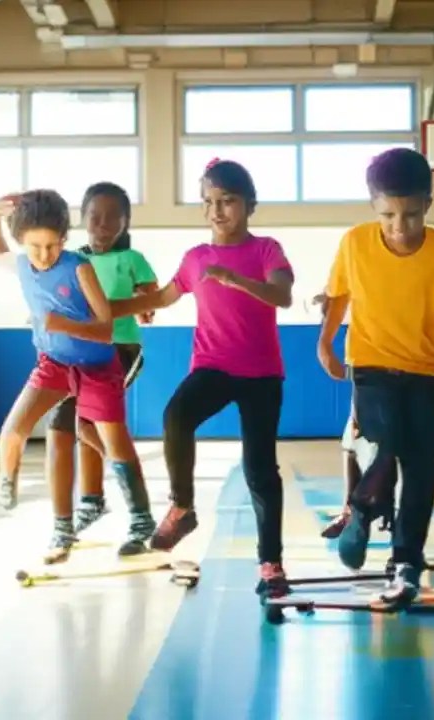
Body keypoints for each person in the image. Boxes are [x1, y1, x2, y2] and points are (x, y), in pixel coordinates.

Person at [108, 159, 295, 597]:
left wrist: (236, 279)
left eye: (227, 201)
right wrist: (106, 310)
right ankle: (183, 507)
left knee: (260, 471)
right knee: (176, 416)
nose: (217, 211)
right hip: (212, 366)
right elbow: (161, 297)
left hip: (262, 373)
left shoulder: (267, 249)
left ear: (250, 206)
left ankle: (270, 562)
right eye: (209, 202)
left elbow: (282, 294)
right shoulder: (196, 258)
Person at [317, 147, 434, 604]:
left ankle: (406, 561)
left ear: (428, 205)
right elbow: (338, 294)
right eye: (388, 215)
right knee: (387, 444)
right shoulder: (355, 242)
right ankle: (359, 507)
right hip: (371, 367)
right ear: (375, 207)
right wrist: (325, 342)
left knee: (421, 467)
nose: (400, 227)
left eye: (411, 215)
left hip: (425, 370)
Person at [0, 189, 155, 564]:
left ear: (64, 239)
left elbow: (106, 328)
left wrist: (61, 323)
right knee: (34, 430)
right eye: (34, 246)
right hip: (54, 364)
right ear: (22, 241)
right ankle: (61, 526)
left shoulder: (79, 267)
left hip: (98, 365)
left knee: (112, 439)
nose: (43, 255)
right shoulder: (22, 264)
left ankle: (141, 519)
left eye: (51, 245)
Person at [46, 182, 159, 539]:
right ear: (83, 219)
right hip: (79, 352)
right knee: (70, 422)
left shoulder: (131, 259)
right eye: (96, 216)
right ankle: (91, 500)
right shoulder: (75, 261)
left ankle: (137, 510)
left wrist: (147, 305)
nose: (104, 224)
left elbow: (149, 292)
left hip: (120, 349)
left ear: (125, 223)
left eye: (114, 218)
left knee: (94, 419)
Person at [311, 291, 396, 540]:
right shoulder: (357, 265)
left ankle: (383, 511)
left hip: (393, 361)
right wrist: (329, 298)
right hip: (364, 360)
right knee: (352, 441)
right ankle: (353, 508)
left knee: (387, 445)